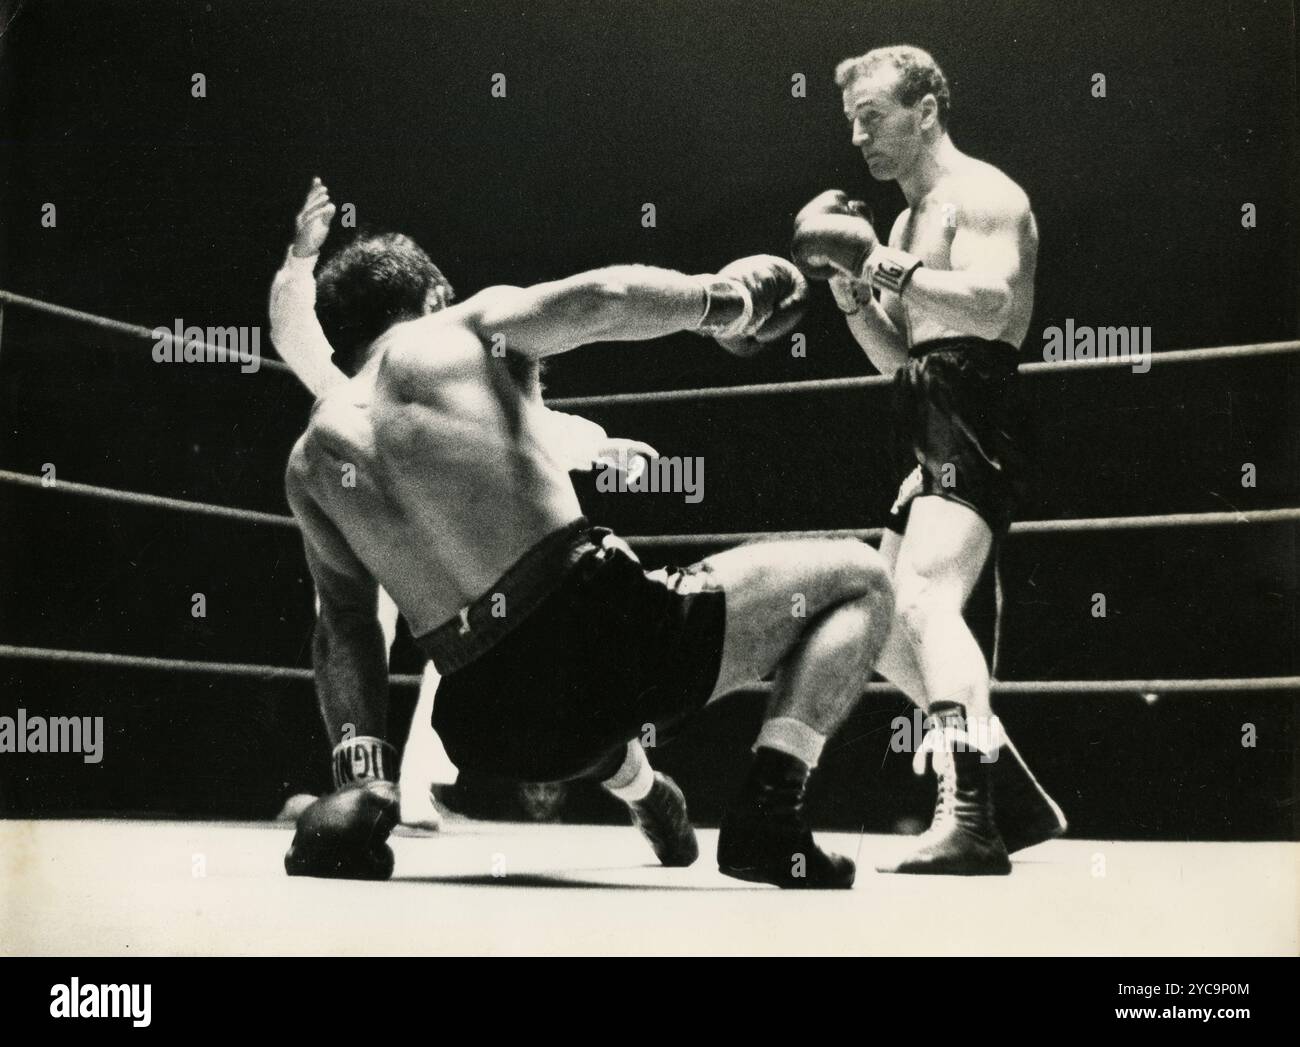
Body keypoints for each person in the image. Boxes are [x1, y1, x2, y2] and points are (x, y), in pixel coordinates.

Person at [278, 205, 895, 887]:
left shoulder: (309, 464)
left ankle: (647, 788)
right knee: (862, 577)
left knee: (558, 679)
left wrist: (359, 779)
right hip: (600, 643)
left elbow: (344, 629)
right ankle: (769, 814)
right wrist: (727, 301)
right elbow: (605, 299)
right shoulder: (456, 331)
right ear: (430, 298)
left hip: (486, 723)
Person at [269, 180, 658, 833]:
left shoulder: (473, 402)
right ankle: (360, 783)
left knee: (464, 635)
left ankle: (415, 792)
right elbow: (293, 332)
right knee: (351, 616)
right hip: (376, 542)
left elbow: (540, 432)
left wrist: (606, 448)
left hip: (462, 574)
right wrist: (300, 260)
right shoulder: (347, 399)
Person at [790, 45, 1066, 875]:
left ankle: (972, 815)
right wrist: (848, 288)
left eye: (872, 117)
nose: (858, 138)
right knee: (878, 621)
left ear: (927, 111)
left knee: (923, 601)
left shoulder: (984, 194)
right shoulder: (909, 222)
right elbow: (897, 351)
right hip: (929, 417)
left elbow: (991, 303)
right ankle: (1008, 784)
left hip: (977, 411)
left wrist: (875, 260)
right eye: (851, 123)